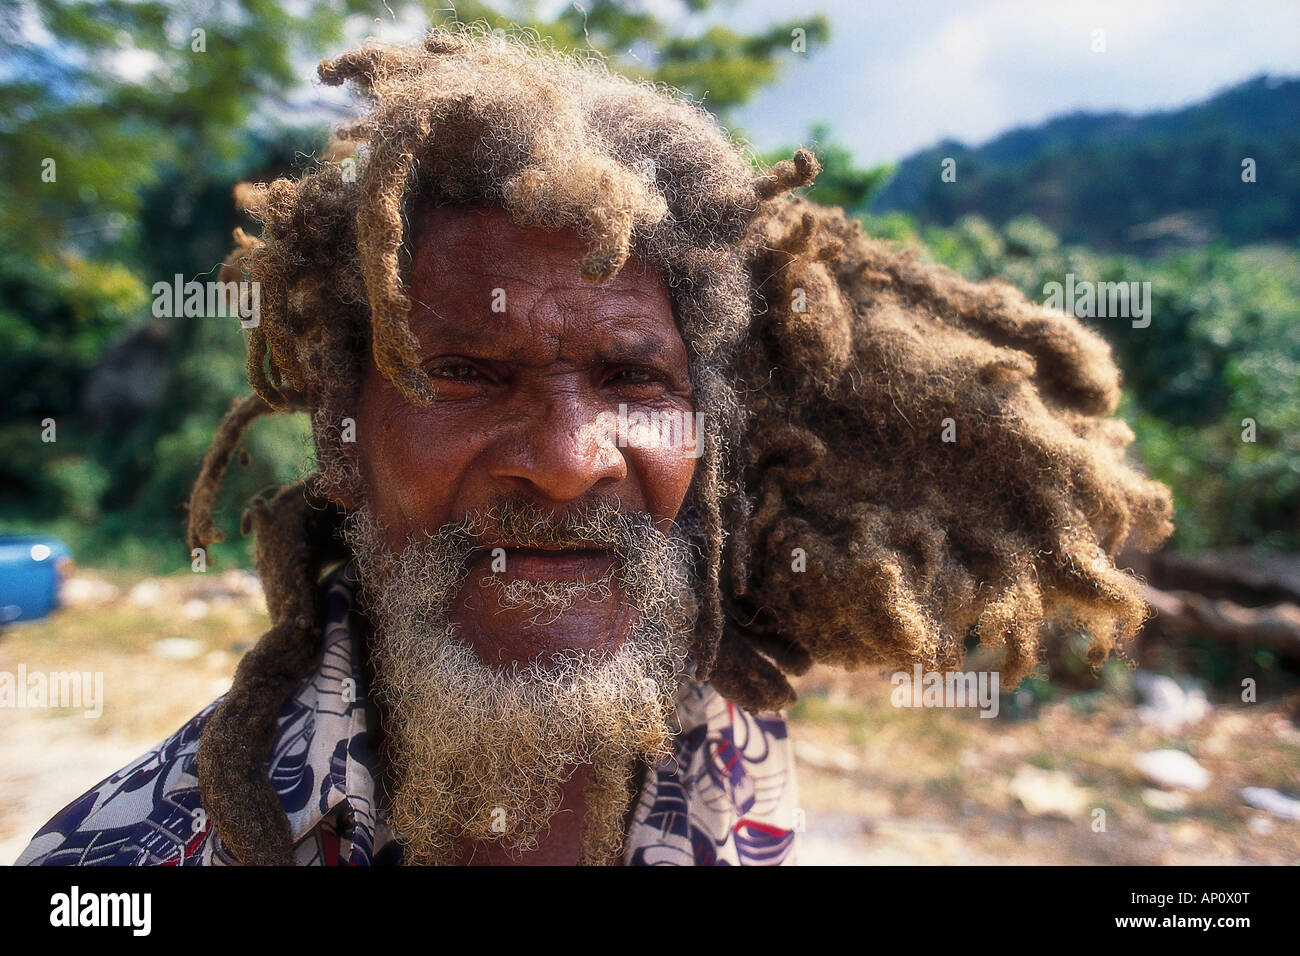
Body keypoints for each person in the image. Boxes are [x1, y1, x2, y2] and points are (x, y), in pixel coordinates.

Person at [18, 25, 1172, 866]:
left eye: (632, 378)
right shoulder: (124, 866)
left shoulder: (727, 742)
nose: (569, 459)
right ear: (342, 431)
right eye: (463, 372)